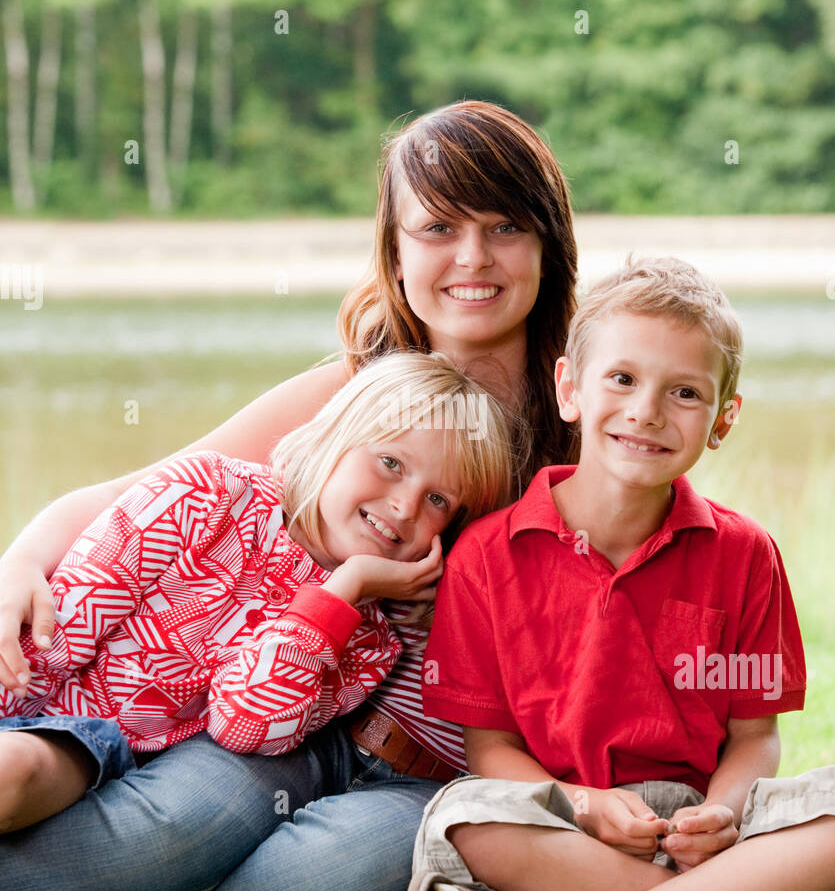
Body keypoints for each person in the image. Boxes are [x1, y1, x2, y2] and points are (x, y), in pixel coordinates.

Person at [0, 99, 579, 891]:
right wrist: (21, 558)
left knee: (354, 877)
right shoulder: (356, 391)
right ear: (394, 248)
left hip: (432, 771)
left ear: (548, 243)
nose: (472, 258)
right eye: (437, 227)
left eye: (504, 226)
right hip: (285, 720)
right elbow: (149, 485)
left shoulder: (585, 408)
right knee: (180, 825)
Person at [398, 258, 835, 891]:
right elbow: (489, 748)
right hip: (562, 822)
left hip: (705, 826)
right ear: (569, 390)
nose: (647, 411)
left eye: (684, 392)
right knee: (463, 817)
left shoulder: (744, 553)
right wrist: (584, 806)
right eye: (622, 379)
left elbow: (755, 738)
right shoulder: (487, 555)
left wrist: (723, 812)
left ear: (723, 420)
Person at [0, 352, 513, 833]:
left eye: (437, 499)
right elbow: (64, 621)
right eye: (391, 463)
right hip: (19, 680)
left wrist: (342, 590)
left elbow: (243, 725)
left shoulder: (363, 644)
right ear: (335, 438)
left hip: (87, 754)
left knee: (13, 771)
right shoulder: (208, 496)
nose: (404, 507)